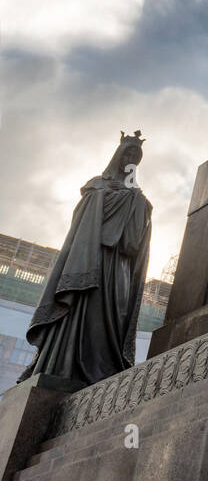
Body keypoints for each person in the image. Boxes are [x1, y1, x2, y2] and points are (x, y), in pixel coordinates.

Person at [18, 131, 153, 387]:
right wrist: (117, 200)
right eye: (128, 153)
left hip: (119, 269)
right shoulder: (97, 186)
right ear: (118, 156)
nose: (131, 158)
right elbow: (82, 225)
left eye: (136, 155)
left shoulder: (138, 196)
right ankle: (63, 367)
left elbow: (134, 242)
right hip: (90, 260)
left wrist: (138, 205)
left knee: (111, 320)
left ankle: (105, 369)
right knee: (82, 311)